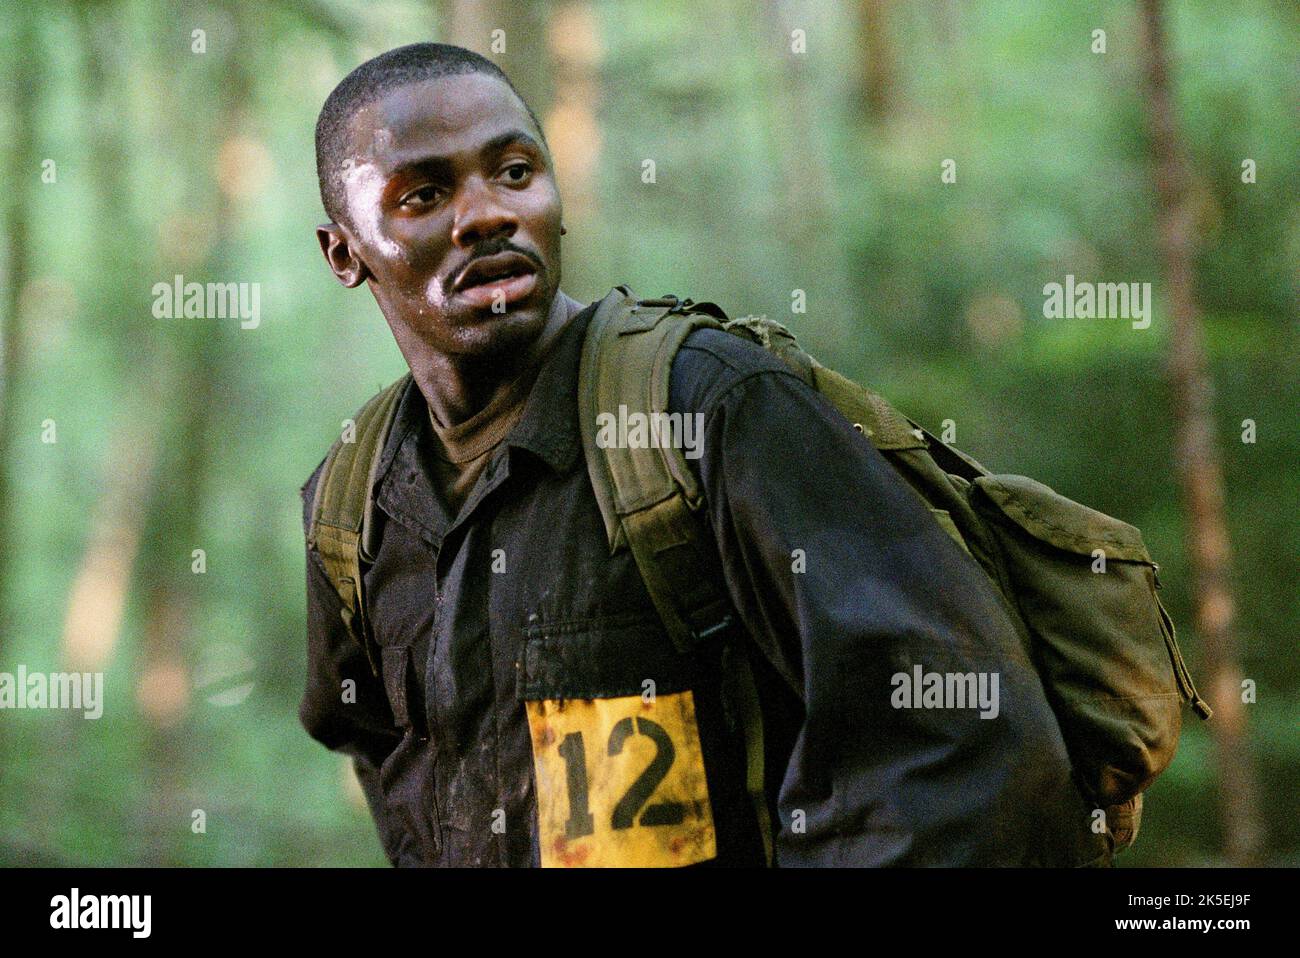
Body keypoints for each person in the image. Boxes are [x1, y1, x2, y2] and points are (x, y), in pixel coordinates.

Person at [300, 42, 1100, 867]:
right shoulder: (352, 505)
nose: (487, 214)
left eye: (513, 172)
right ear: (344, 252)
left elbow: (963, 746)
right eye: (425, 194)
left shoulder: (711, 409)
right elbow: (392, 765)